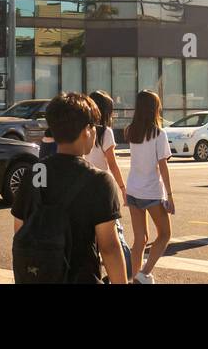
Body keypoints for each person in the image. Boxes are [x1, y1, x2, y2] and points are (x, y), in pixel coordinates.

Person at [11, 92, 126, 284]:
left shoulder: (36, 172)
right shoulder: (99, 180)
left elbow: (20, 229)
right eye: (94, 126)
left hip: (39, 276)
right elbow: (109, 248)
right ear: (86, 131)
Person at [124, 89, 174, 284]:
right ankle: (144, 273)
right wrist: (170, 195)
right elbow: (163, 166)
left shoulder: (131, 131)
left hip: (133, 189)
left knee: (140, 239)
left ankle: (136, 275)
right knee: (165, 234)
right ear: (154, 109)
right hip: (151, 191)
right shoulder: (158, 134)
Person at [87, 90, 132, 279]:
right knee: (112, 236)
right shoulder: (106, 132)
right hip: (102, 188)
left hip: (83, 186)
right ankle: (119, 275)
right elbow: (112, 164)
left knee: (91, 239)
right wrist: (122, 188)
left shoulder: (85, 130)